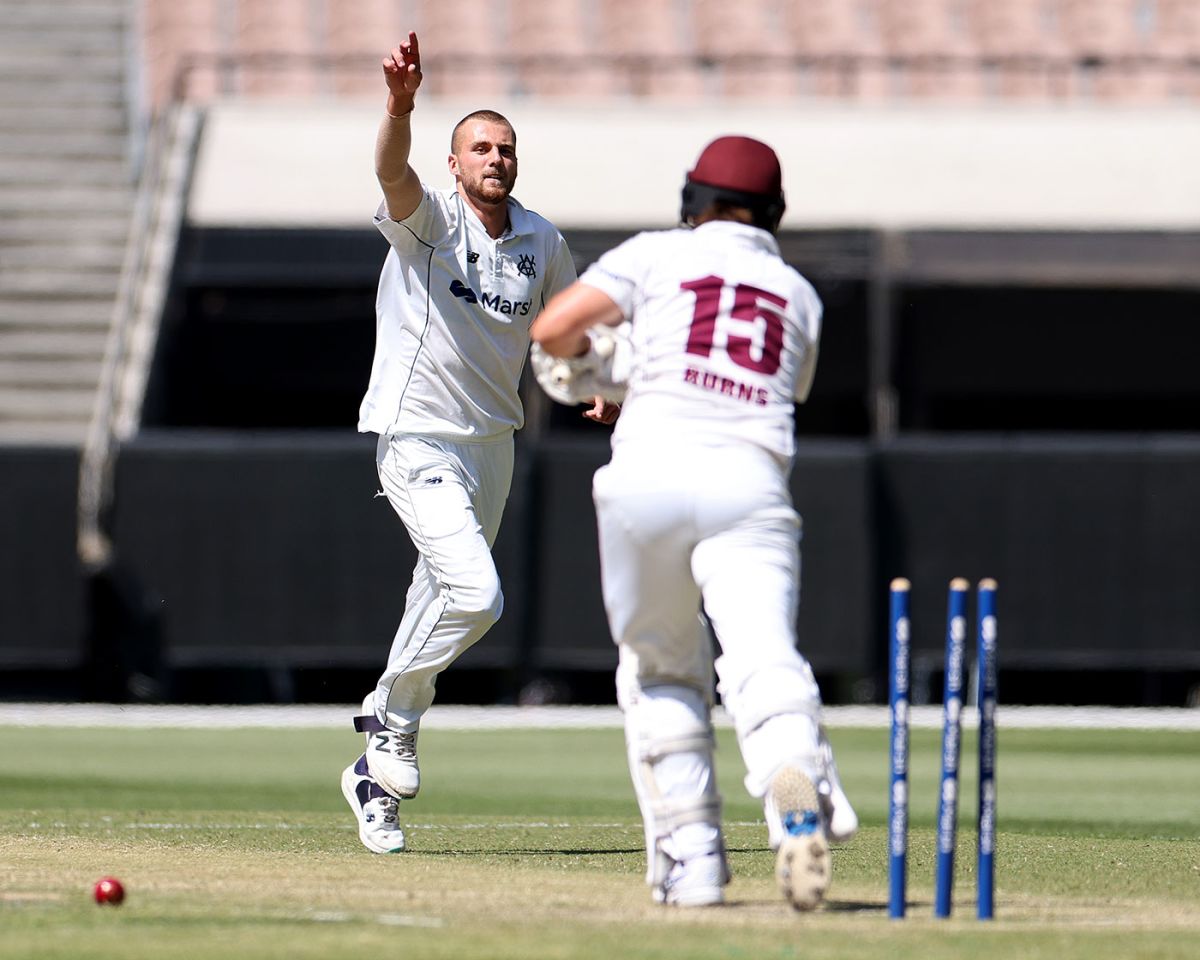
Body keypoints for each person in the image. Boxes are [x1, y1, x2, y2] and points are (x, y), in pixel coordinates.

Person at [528, 135, 858, 911]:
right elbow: (762, 383)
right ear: (774, 211)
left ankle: (696, 862)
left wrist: (613, 368)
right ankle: (794, 787)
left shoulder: (656, 256)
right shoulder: (798, 294)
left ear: (692, 200)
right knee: (763, 659)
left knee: (662, 670)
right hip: (749, 481)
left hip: (648, 474)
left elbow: (553, 334)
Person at [342, 32, 619, 856]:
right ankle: (388, 717)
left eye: (505, 149)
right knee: (477, 597)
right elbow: (392, 172)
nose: (495, 159)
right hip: (416, 432)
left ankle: (373, 778)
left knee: (437, 596)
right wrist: (400, 107)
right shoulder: (428, 224)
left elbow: (567, 330)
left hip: (493, 444)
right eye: (480, 149)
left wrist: (599, 384)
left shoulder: (541, 241)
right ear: (456, 165)